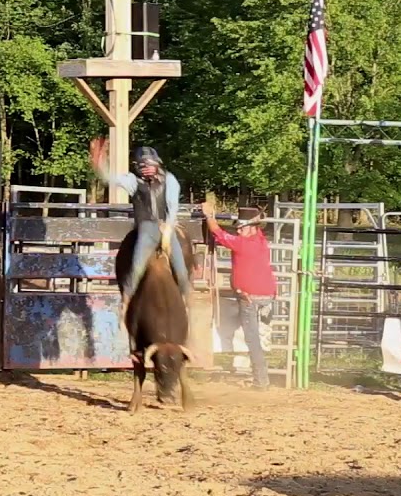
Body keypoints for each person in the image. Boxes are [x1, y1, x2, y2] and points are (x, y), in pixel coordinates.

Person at [89, 137, 188, 306]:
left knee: (181, 269)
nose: (146, 169)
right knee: (137, 267)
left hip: (166, 226)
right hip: (146, 228)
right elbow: (110, 178)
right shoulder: (133, 181)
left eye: (149, 164)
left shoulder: (170, 180)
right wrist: (100, 162)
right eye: (142, 165)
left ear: (157, 164)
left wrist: (168, 229)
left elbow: (173, 205)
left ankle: (186, 301)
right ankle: (127, 301)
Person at [202, 204, 275, 389]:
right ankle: (257, 375)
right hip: (266, 295)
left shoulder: (241, 244)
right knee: (257, 336)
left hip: (249, 297)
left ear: (251, 227)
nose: (239, 231)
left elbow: (219, 234)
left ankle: (261, 380)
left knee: (252, 339)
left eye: (241, 228)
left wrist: (209, 216)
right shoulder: (260, 241)